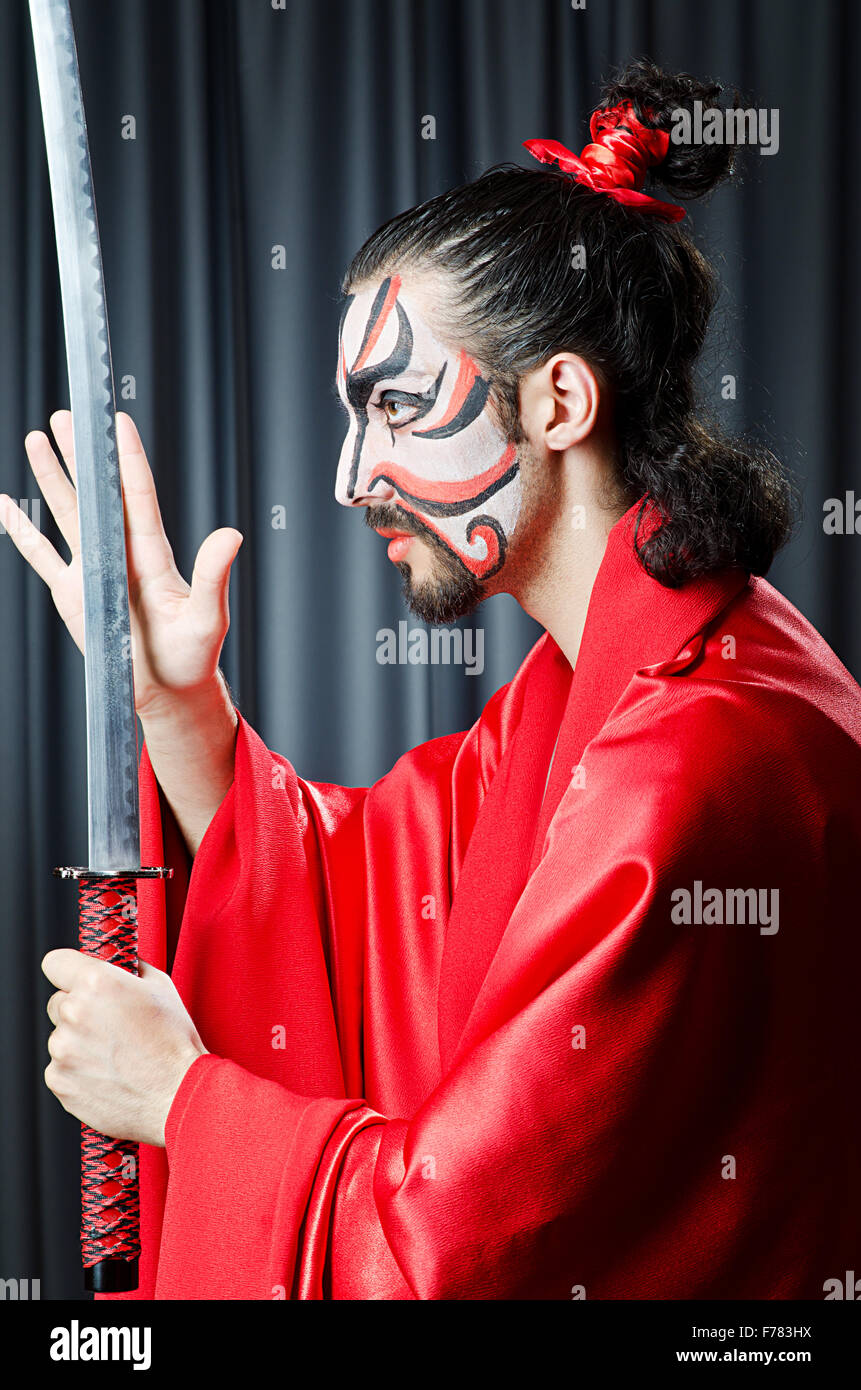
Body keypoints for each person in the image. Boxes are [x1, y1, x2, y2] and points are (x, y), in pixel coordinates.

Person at [3, 58, 859, 1300]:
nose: (353, 478)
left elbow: (460, 1248)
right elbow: (371, 890)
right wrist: (176, 703)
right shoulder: (610, 681)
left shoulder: (695, 757)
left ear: (559, 399)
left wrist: (184, 1099)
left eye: (396, 407)